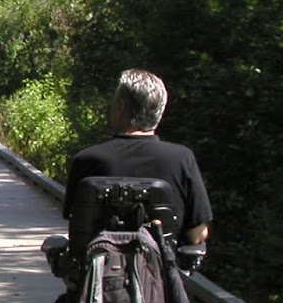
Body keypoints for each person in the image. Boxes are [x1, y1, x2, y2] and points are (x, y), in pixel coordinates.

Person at [63, 68, 212, 245]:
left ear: (121, 107)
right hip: (160, 270)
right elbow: (197, 234)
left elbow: (76, 224)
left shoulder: (86, 159)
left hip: (100, 268)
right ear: (159, 111)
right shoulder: (182, 158)